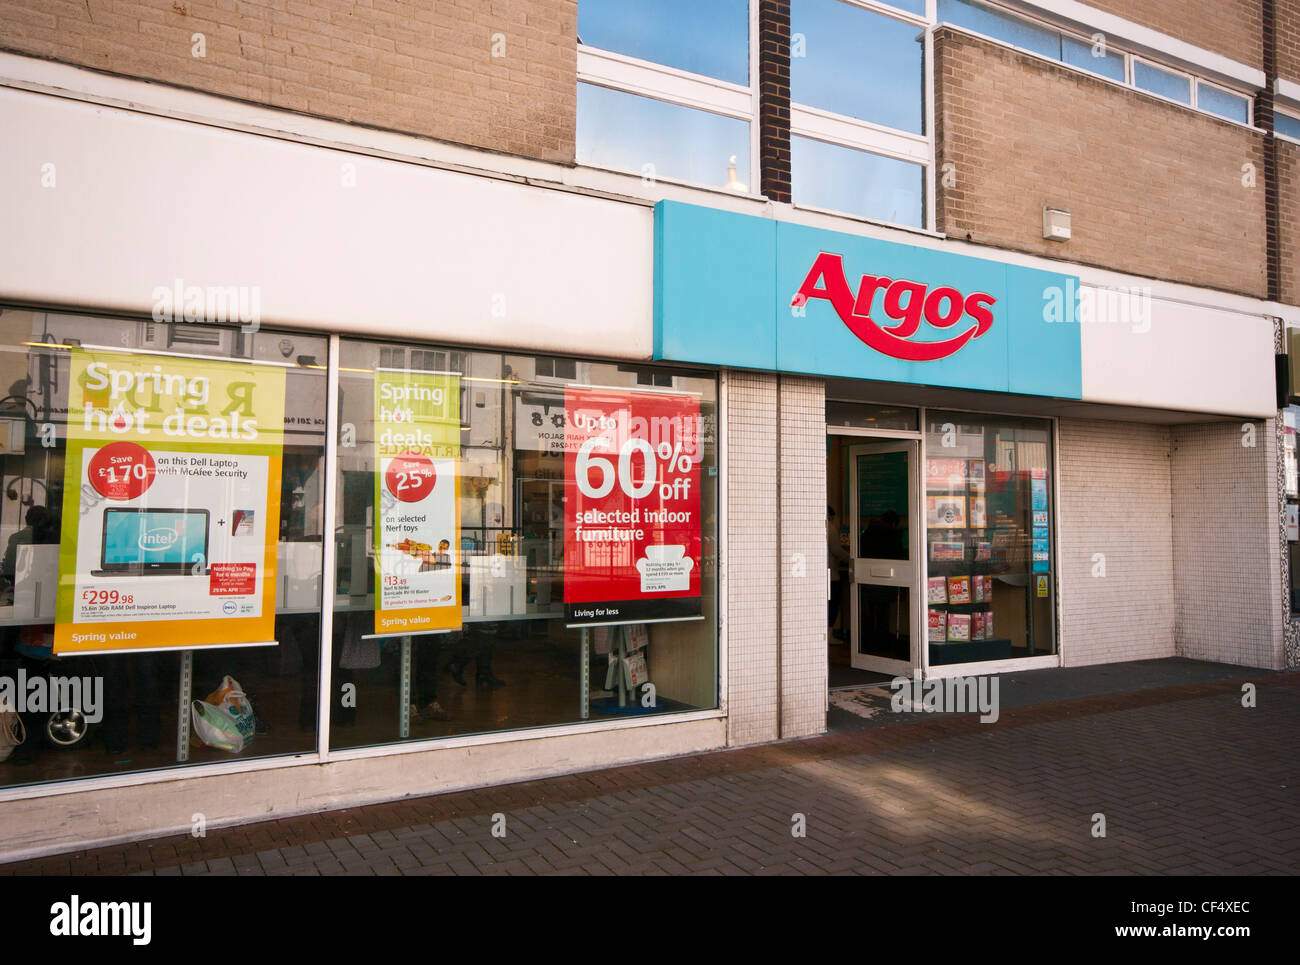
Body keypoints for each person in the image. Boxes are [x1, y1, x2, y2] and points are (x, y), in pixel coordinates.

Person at [827, 506, 850, 641]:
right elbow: (836, 550)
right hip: (831, 574)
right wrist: (851, 559)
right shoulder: (830, 527)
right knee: (832, 604)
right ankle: (829, 634)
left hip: (820, 573)